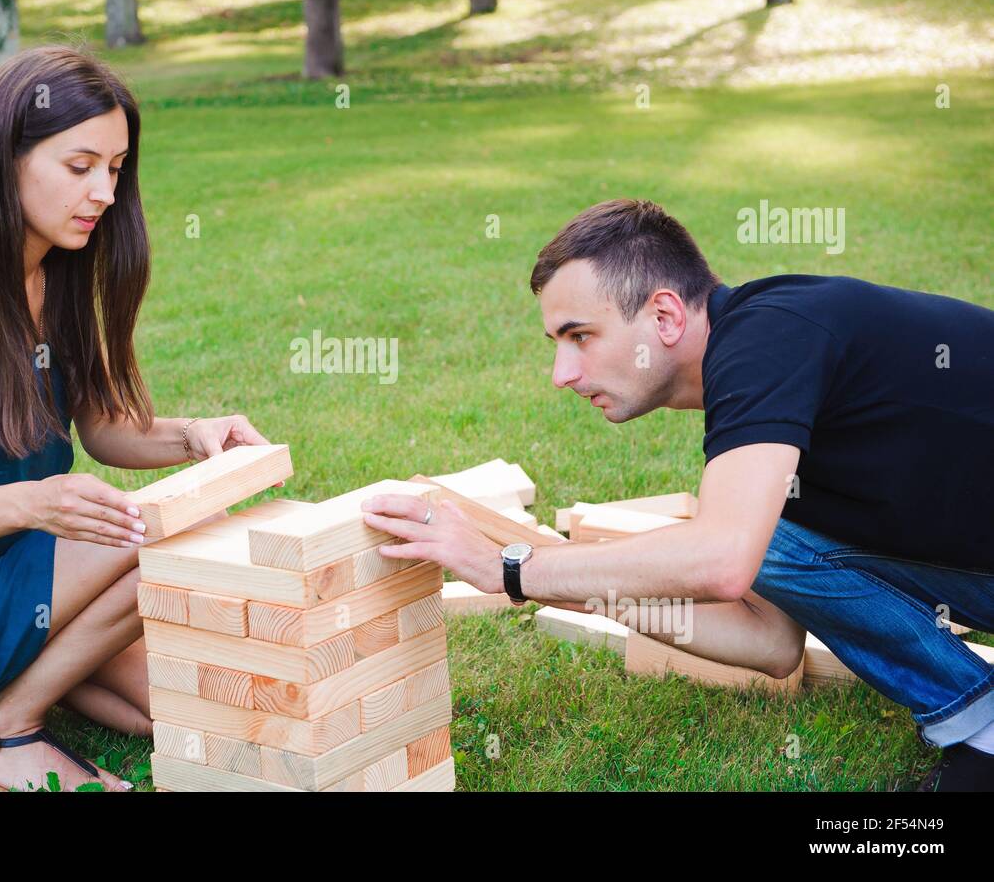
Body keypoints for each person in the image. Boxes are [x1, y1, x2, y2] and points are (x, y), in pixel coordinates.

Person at [362, 198, 994, 791]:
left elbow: (724, 559)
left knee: (756, 541)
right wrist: (588, 590)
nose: (562, 375)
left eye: (579, 336)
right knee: (768, 538)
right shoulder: (765, 389)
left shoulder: (767, 340)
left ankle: (983, 728)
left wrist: (514, 570)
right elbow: (769, 644)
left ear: (664, 316)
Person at [0, 45, 275, 792]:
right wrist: (36, 503)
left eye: (115, 168)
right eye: (80, 167)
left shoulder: (59, 271)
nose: (105, 192)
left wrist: (193, 436)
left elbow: (103, 426)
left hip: (24, 569)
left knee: (169, 711)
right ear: (5, 158)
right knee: (152, 537)